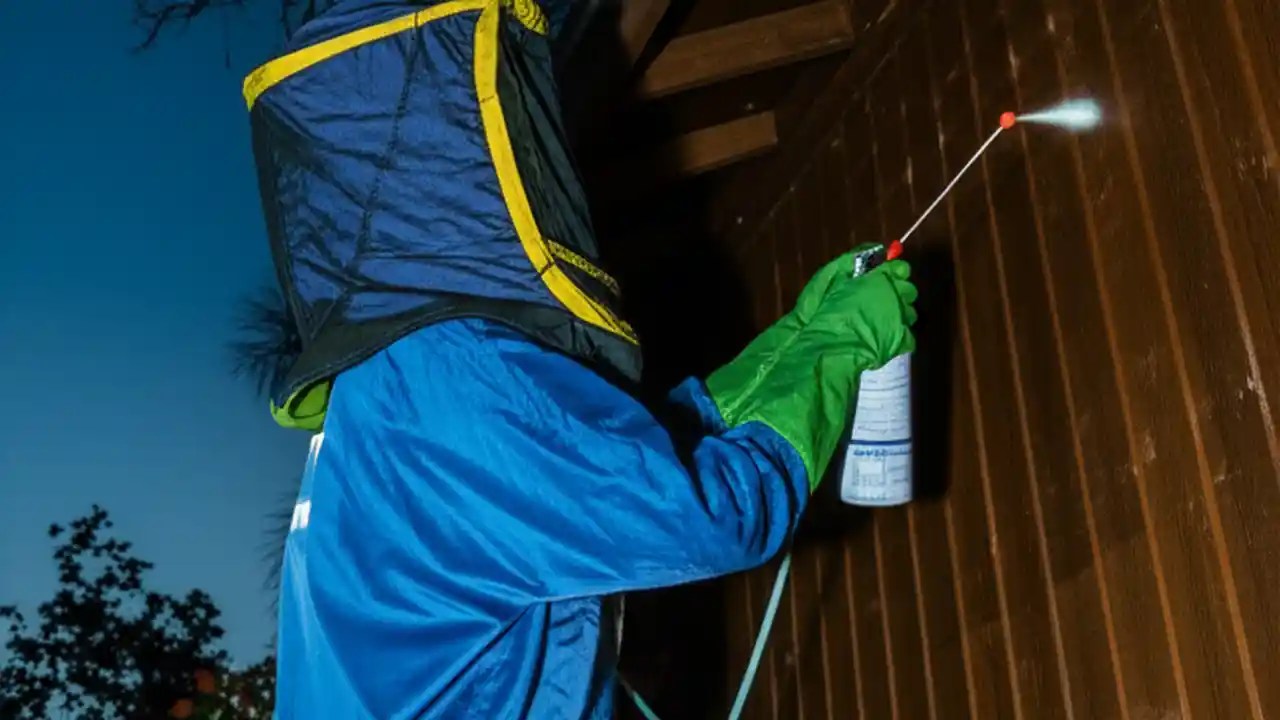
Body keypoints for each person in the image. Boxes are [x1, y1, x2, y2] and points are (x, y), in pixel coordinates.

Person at [243, 0, 918, 717]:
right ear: (450, 152)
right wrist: (835, 348)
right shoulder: (447, 375)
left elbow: (609, 464)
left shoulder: (388, 384)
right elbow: (707, 515)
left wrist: (794, 339)